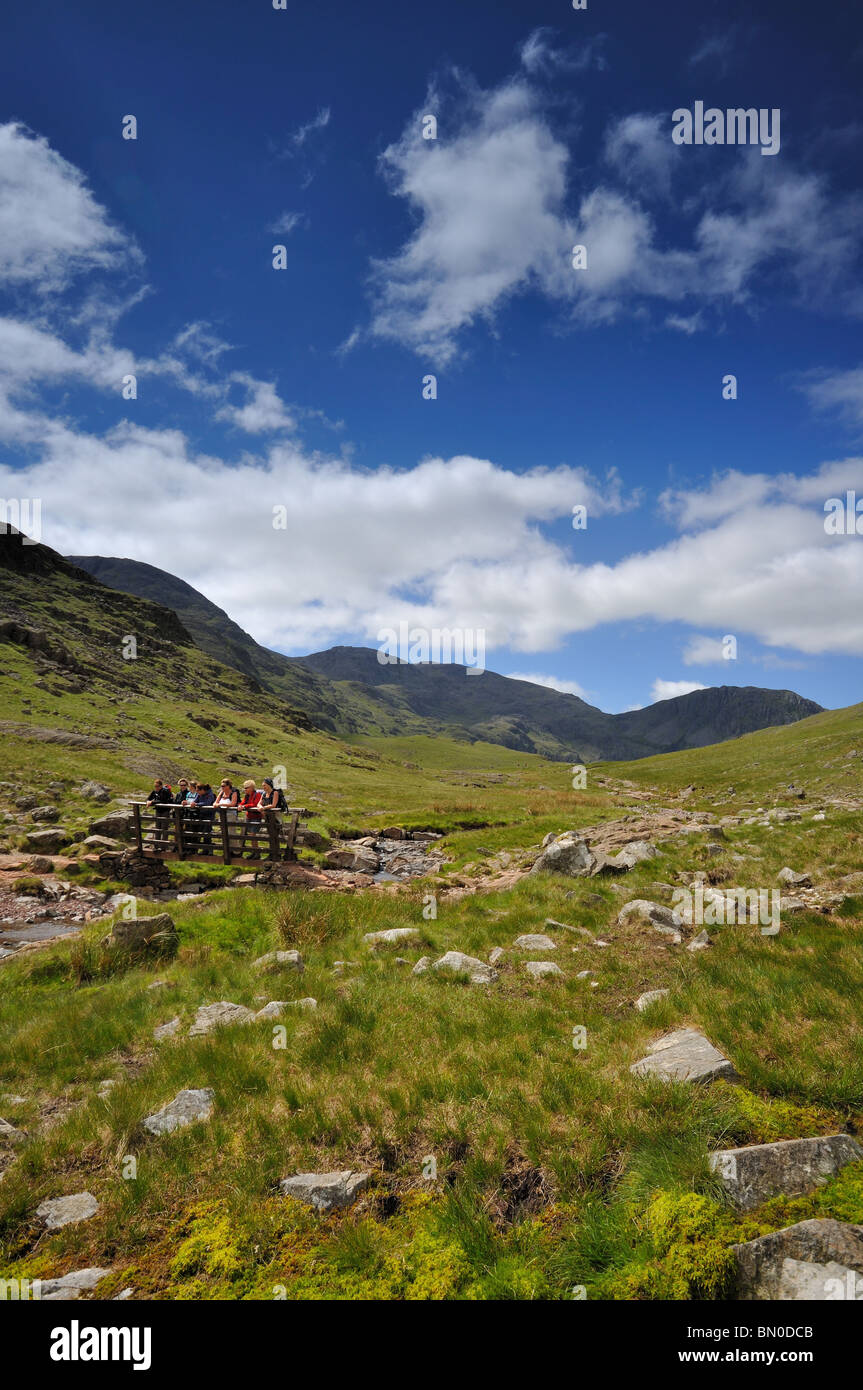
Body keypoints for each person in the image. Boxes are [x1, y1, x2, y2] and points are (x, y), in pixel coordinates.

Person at [239, 779, 263, 857]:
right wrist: (240, 805)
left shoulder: (257, 794)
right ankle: (254, 852)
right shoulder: (247, 796)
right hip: (249, 817)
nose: (245, 789)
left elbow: (255, 804)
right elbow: (243, 802)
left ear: (251, 787)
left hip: (256, 817)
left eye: (246, 788)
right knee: (251, 835)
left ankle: (256, 853)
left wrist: (244, 806)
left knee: (253, 835)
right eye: (244, 788)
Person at [147, 778, 173, 847]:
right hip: (158, 811)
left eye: (157, 786)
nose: (156, 788)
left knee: (164, 828)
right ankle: (156, 845)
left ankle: (164, 846)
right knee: (157, 828)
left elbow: (162, 800)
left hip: (165, 811)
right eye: (155, 786)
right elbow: (149, 798)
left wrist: (152, 802)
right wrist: (148, 801)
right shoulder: (155, 791)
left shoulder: (165, 791)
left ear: (161, 786)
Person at [193, 782, 216, 854]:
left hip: (209, 815)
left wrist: (196, 804)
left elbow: (207, 803)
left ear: (202, 790)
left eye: (198, 791)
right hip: (202, 815)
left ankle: (208, 850)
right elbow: (195, 801)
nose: (197, 792)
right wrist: (188, 803)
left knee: (207, 833)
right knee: (203, 832)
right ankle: (205, 850)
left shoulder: (210, 795)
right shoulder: (200, 795)